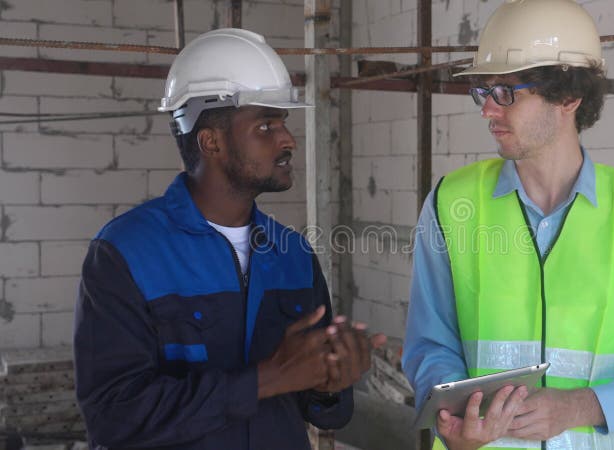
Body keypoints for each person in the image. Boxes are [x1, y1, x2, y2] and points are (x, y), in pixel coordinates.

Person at [401, 1, 614, 449]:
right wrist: (454, 420)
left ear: (568, 97)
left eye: (507, 92)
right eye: (484, 91)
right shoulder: (451, 203)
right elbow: (429, 345)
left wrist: (579, 407)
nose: (488, 110)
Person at [74, 28, 385, 450]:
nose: (288, 139)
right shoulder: (125, 253)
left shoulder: (293, 255)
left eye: (283, 123)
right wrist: (265, 379)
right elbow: (113, 418)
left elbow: (326, 413)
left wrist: (330, 383)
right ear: (211, 141)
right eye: (265, 125)